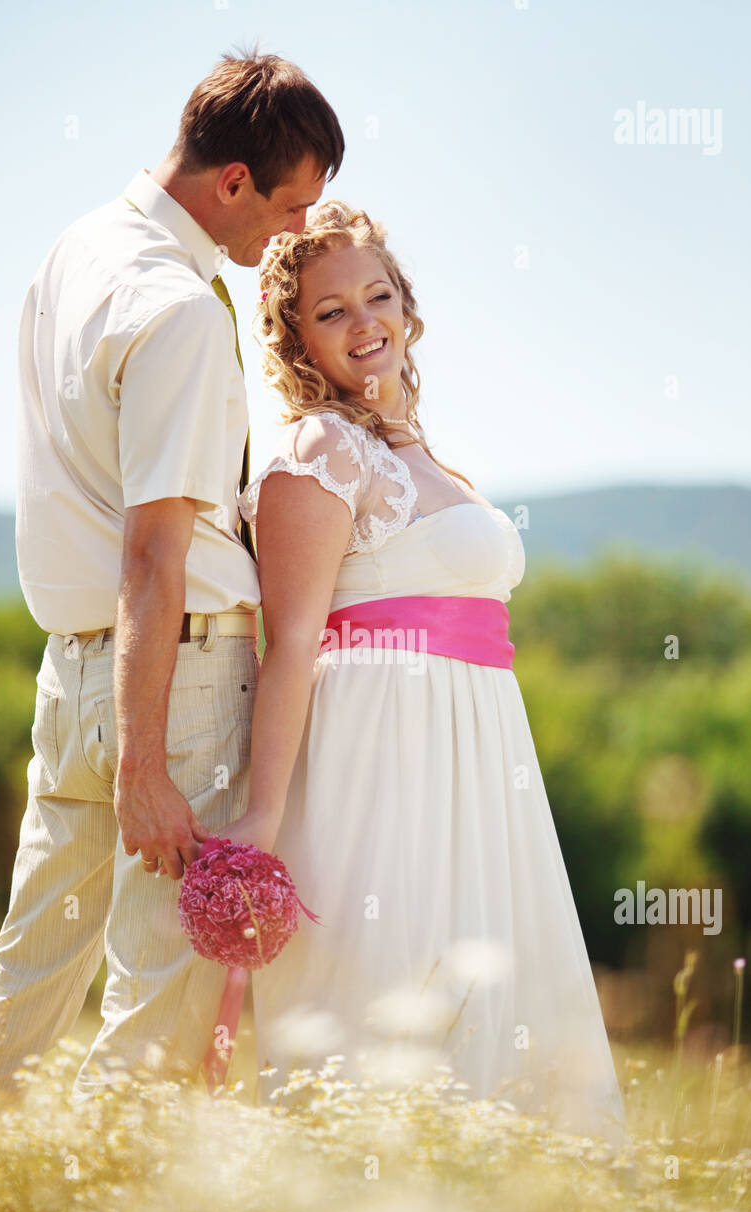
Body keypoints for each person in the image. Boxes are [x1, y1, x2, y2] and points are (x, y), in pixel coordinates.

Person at [0, 47, 343, 1104]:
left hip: (70, 680)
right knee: (157, 1005)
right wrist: (146, 767)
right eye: (291, 206)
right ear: (232, 184)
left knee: (26, 974)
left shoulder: (73, 253)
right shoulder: (176, 308)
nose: (294, 234)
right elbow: (155, 553)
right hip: (173, 683)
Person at [224, 201, 626, 1143]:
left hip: (482, 763)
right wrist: (260, 820)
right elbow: (288, 644)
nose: (364, 324)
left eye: (378, 295)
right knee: (388, 1002)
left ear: (407, 305)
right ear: (295, 338)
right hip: (380, 761)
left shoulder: (421, 452)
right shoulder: (318, 451)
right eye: (331, 312)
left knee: (496, 994)